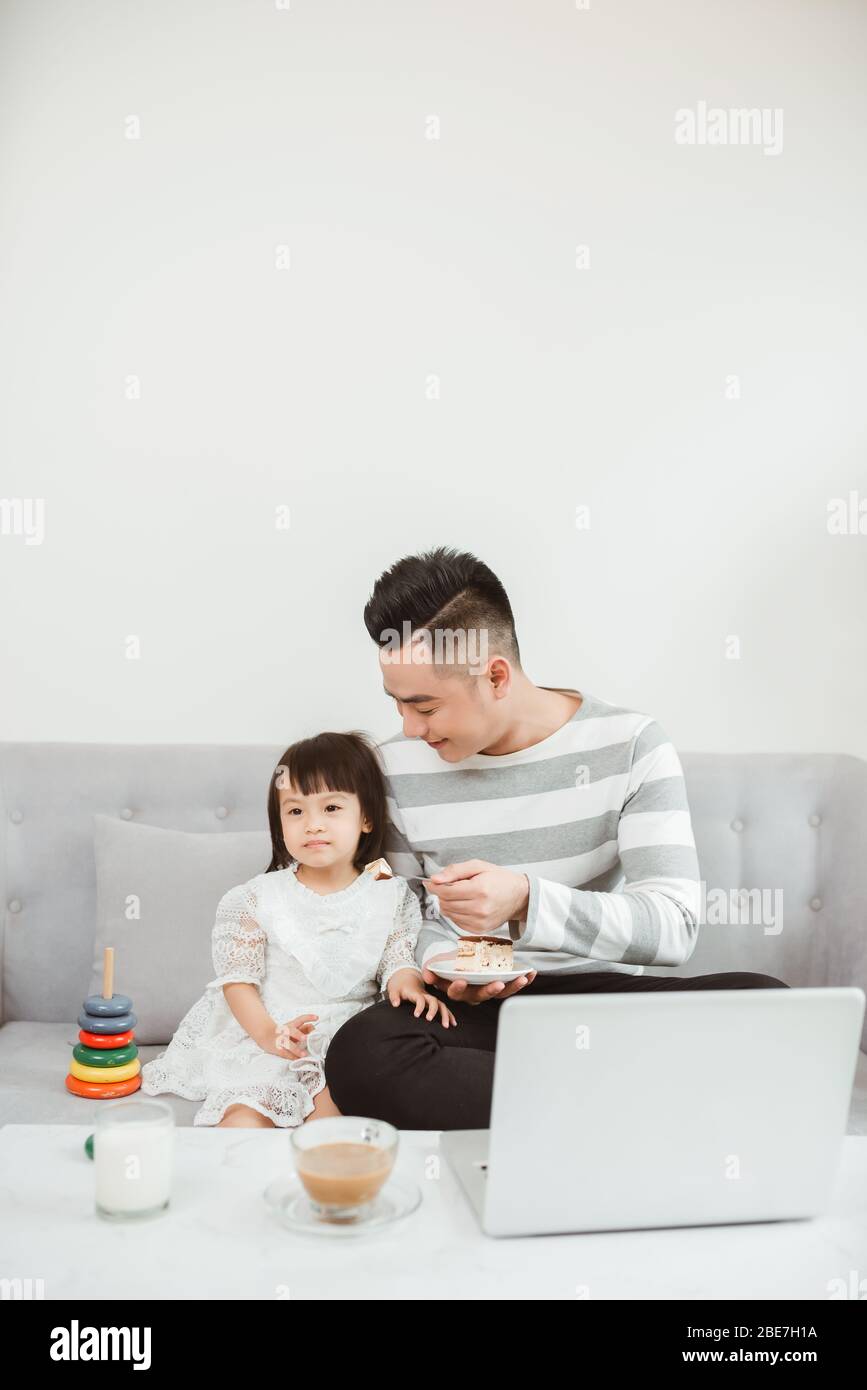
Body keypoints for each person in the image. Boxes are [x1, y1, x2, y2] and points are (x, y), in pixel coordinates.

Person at [324, 546, 789, 1130]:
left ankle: (545, 1104)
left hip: (595, 999)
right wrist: (440, 968)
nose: (409, 729)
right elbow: (400, 913)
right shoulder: (396, 767)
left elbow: (674, 925)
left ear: (496, 675)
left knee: (769, 1007)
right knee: (361, 1053)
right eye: (397, 706)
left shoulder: (631, 744)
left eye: (425, 706)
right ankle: (619, 1108)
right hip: (470, 1018)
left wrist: (525, 900)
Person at [140, 730, 455, 1128]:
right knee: (242, 1120)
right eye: (295, 812)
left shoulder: (389, 894)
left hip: (347, 1039)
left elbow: (395, 957)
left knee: (332, 1128)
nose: (313, 825)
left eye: (331, 808)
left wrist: (406, 980)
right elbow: (238, 981)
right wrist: (269, 1035)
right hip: (271, 1033)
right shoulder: (256, 897)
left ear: (367, 818)